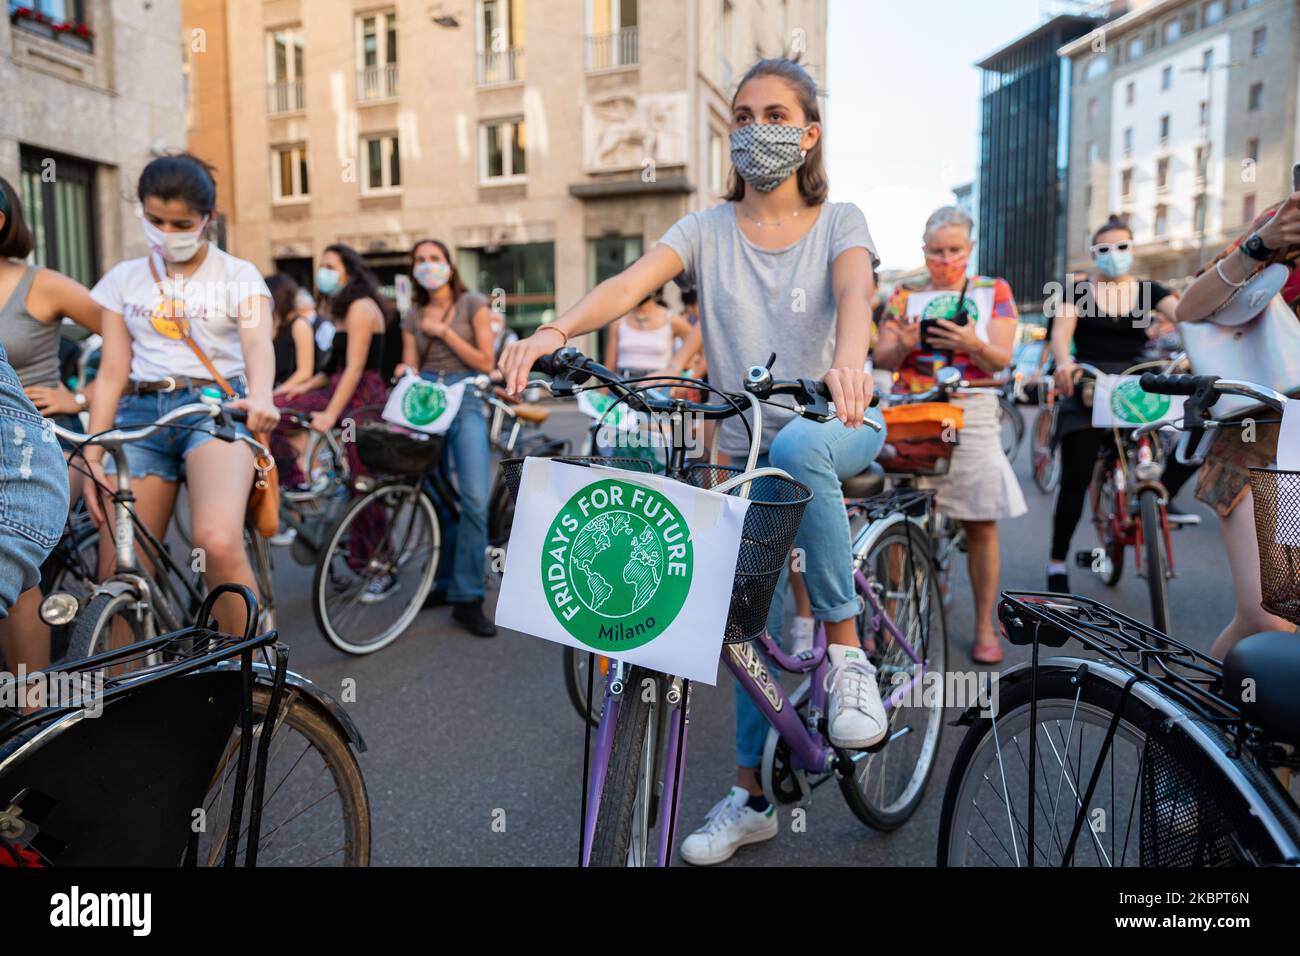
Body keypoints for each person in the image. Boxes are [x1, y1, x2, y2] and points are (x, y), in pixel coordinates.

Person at [502, 57, 886, 865]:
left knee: (797, 441)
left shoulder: (840, 219)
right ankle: (753, 794)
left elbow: (856, 295)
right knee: (740, 617)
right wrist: (554, 332)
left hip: (838, 422)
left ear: (809, 133)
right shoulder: (708, 230)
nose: (755, 129)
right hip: (742, 452)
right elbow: (632, 280)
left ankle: (847, 651)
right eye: (742, 116)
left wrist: (850, 360)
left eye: (775, 114)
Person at [83, 153, 279, 635]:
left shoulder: (238, 274)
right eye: (155, 220)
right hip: (139, 415)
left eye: (181, 223)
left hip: (214, 410)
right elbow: (111, 371)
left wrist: (262, 396)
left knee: (215, 540)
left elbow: (257, 341)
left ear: (208, 220)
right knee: (119, 568)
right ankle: (125, 695)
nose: (167, 231)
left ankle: (245, 676)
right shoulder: (124, 279)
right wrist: (92, 446)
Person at [873, 205, 1026, 665]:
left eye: (954, 250)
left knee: (980, 519)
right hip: (914, 410)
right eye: (937, 251)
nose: (945, 259)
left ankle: (984, 625)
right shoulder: (904, 293)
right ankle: (893, 617)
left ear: (970, 249)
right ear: (924, 251)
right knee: (899, 513)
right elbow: (880, 357)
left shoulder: (991, 290)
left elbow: (1001, 358)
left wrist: (971, 344)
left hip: (972, 407)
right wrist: (903, 341)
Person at [1173, 188, 1300, 658]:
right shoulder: (1286, 221)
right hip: (1269, 434)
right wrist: (1260, 244)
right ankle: (1193, 728)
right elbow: (1190, 309)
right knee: (1268, 617)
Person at [1044, 216, 1187, 594]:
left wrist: (1194, 351)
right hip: (1089, 383)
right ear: (1093, 254)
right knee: (1076, 475)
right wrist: (1064, 363)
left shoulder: (1150, 290)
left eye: (1122, 247)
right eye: (1104, 249)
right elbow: (1062, 333)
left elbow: (1188, 319)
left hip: (1139, 383)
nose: (1114, 255)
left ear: (1133, 249)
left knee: (1186, 438)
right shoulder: (1076, 292)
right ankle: (1057, 562)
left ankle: (1158, 500)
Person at [393, 238, 498, 637]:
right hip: (426, 400)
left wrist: (444, 333)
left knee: (472, 497)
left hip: (468, 395)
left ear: (449, 265)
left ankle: (469, 596)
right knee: (435, 495)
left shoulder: (472, 303)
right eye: (419, 260)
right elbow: (411, 361)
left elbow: (486, 362)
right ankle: (442, 582)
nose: (427, 265)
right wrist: (404, 370)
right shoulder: (413, 313)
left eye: (434, 258)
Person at [0, 176, 81, 672]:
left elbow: (116, 323)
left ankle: (32, 705)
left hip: (41, 442)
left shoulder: (39, 282)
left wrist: (82, 394)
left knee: (17, 544)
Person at [272, 244, 388, 493]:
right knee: (275, 413)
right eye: (321, 266)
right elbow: (333, 367)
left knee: (360, 473)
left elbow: (354, 368)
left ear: (349, 273)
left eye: (330, 267)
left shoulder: (360, 307)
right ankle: (298, 482)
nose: (323, 272)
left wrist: (330, 414)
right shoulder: (340, 310)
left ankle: (366, 530)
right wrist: (301, 388)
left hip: (360, 401)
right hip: (337, 391)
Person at [603, 288, 692, 377]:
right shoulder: (619, 321)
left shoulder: (671, 319)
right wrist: (600, 391)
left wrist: (680, 370)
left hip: (659, 386)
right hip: (623, 383)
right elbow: (610, 366)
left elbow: (699, 347)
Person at [266, 273, 316, 393]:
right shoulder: (274, 325)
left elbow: (304, 372)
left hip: (290, 392)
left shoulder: (300, 326)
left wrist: (275, 393)